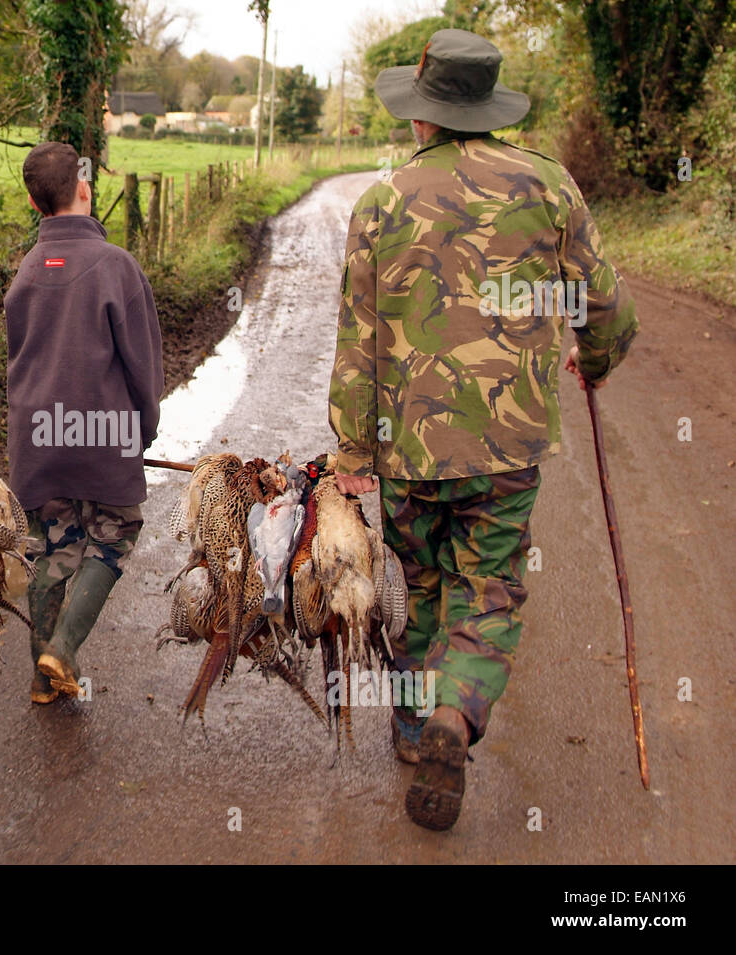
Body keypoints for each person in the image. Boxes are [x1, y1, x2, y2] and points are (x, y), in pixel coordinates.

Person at [327, 28, 639, 831]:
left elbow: (357, 338)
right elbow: (603, 304)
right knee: (488, 586)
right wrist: (594, 361)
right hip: (508, 445)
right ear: (489, 106)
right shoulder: (549, 185)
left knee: (415, 585)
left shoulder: (382, 198)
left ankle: (409, 723)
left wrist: (353, 450)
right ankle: (454, 715)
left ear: (423, 115)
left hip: (407, 446)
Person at [4, 142, 164, 704]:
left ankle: (42, 678)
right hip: (101, 437)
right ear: (85, 189)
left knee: (53, 548)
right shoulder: (116, 266)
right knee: (114, 536)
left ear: (33, 202)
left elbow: (20, 359)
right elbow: (142, 363)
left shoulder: (25, 271)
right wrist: (144, 428)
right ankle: (62, 651)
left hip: (38, 438)